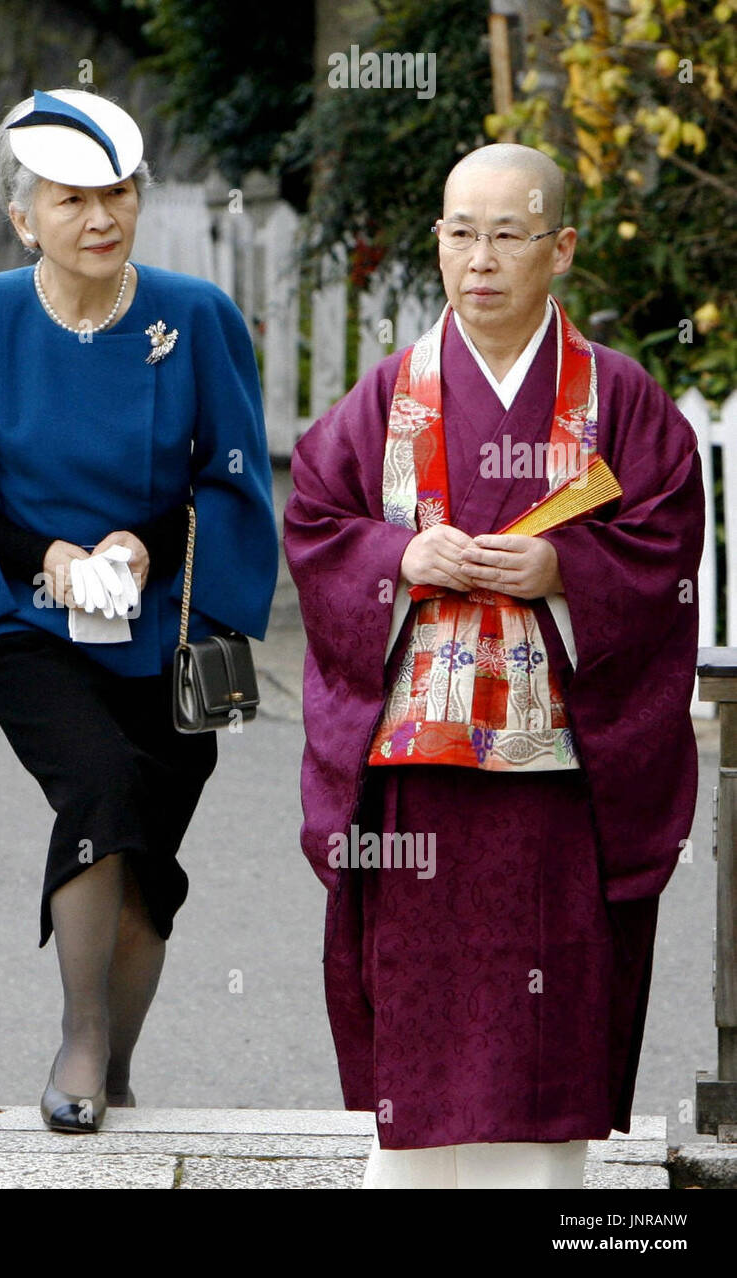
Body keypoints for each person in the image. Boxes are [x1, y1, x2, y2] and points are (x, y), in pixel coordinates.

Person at [284, 143, 703, 1188]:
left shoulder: (622, 399)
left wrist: (563, 566)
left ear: (558, 248)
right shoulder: (388, 396)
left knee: (548, 998)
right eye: (460, 233)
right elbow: (316, 522)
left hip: (559, 767)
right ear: (435, 243)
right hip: (417, 768)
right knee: (420, 995)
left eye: (507, 234)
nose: (479, 259)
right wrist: (400, 557)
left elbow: (665, 543)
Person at [0, 89, 278, 1132]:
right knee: (101, 786)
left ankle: (116, 1065)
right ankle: (79, 1039)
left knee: (149, 850)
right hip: (32, 621)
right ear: (23, 216)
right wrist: (50, 556)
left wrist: (140, 544)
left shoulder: (193, 315)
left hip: (174, 620)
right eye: (70, 199)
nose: (100, 217)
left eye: (117, 193)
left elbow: (237, 473)